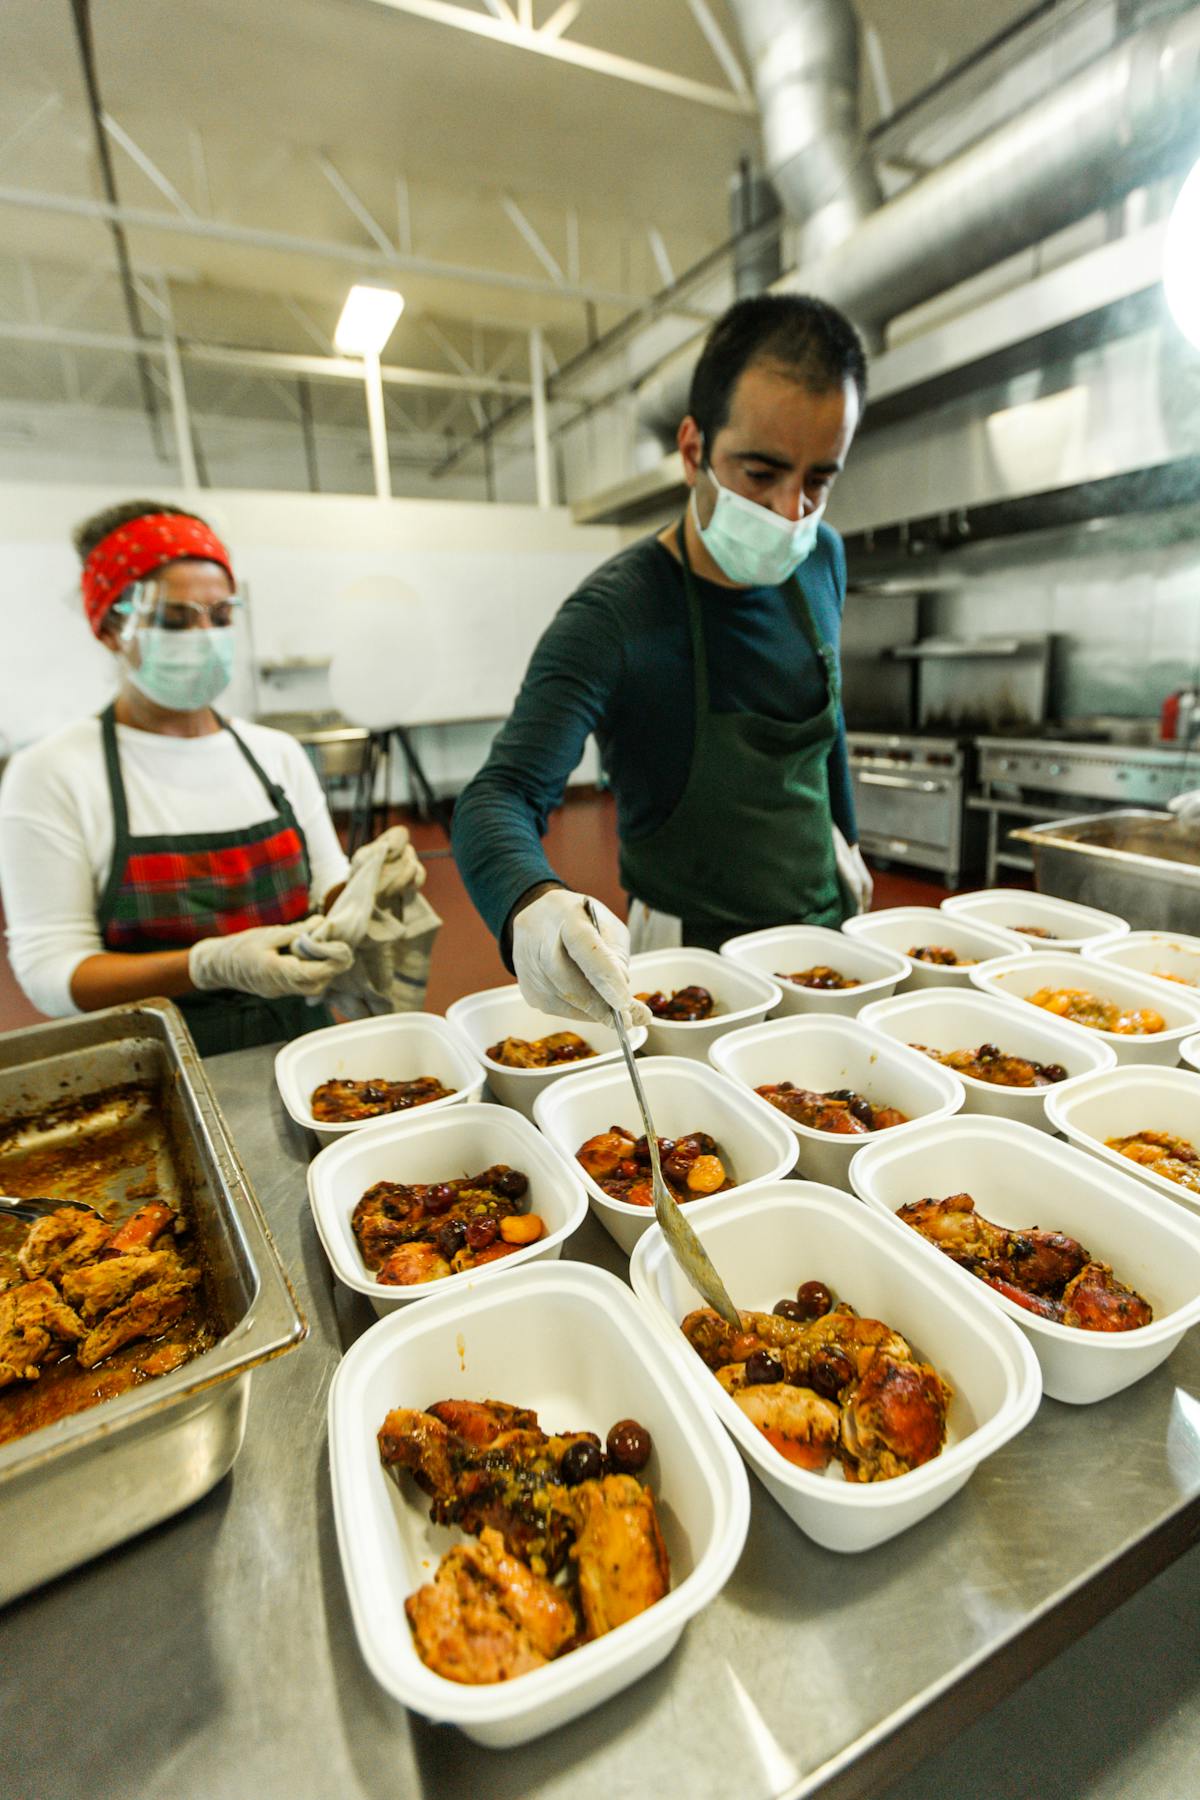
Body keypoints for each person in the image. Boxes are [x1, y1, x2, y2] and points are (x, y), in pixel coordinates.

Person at [452, 293, 872, 1028]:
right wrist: (533, 903)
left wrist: (848, 836)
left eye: (818, 481)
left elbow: (824, 717)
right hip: (692, 964)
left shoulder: (823, 560)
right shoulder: (615, 615)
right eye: (760, 474)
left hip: (821, 940)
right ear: (692, 451)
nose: (790, 512)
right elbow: (499, 794)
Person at [0, 500, 422, 1055]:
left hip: (303, 1044)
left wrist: (368, 893)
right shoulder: (54, 774)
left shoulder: (275, 754)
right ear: (110, 628)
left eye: (220, 615)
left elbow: (327, 887)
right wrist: (206, 965)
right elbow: (54, 975)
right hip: (161, 1063)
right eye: (175, 619)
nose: (204, 635)